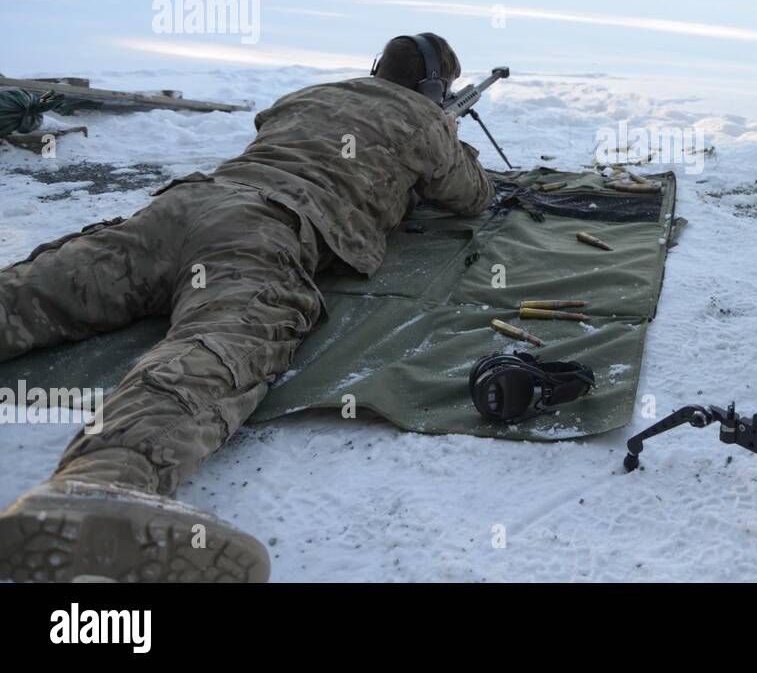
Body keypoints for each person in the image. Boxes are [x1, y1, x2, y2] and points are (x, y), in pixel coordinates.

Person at [0, 34, 494, 582]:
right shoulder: (424, 121)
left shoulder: (310, 95)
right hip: (262, 232)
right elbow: (472, 196)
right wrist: (448, 136)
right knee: (220, 347)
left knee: (32, 292)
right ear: (433, 89)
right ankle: (105, 481)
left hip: (184, 204)